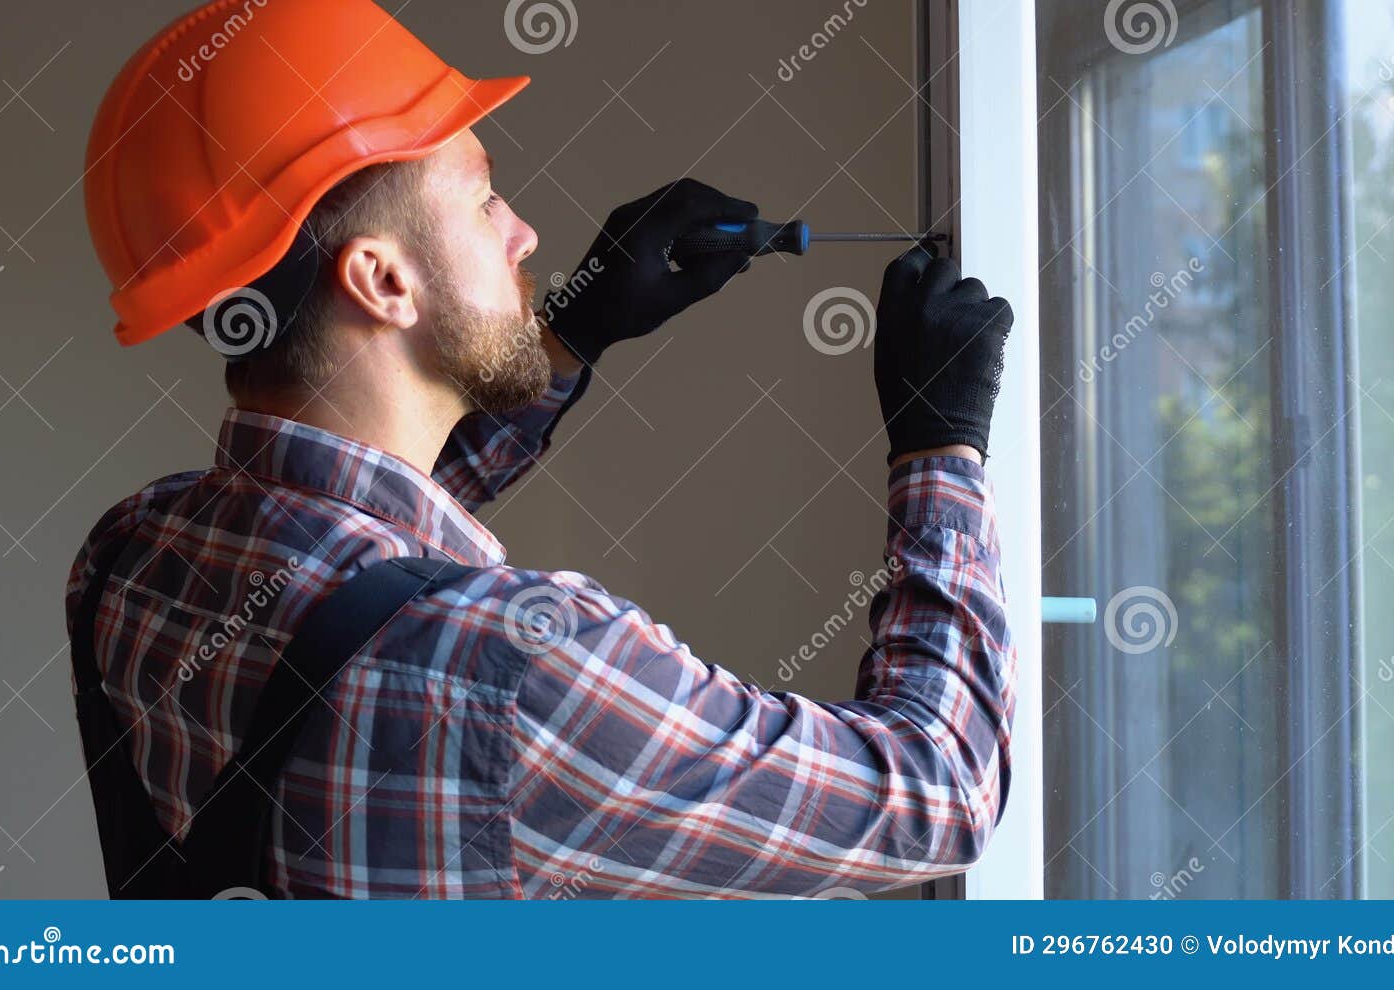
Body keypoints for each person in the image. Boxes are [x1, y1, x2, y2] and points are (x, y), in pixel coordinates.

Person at [72, 0, 1017, 898]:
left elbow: (358, 567)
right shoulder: (519, 665)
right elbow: (939, 792)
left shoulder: (135, 554)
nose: (524, 233)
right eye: (485, 201)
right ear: (384, 280)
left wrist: (572, 331)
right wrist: (941, 449)